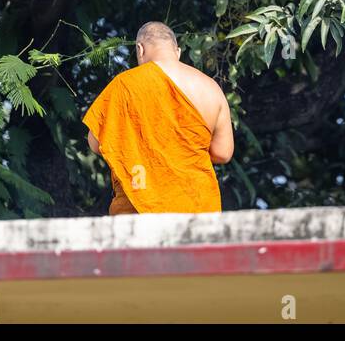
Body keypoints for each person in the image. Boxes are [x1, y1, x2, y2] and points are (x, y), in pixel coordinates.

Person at [83, 22, 234, 214]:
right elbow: (223, 153)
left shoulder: (125, 85)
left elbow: (96, 144)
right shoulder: (211, 88)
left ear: (140, 49)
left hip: (141, 205)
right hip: (197, 206)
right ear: (177, 52)